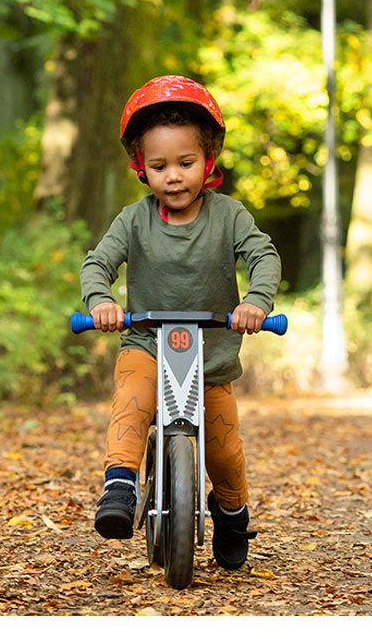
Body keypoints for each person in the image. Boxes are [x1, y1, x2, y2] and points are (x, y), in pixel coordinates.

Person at [80, 75, 281, 570]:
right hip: (146, 344)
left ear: (208, 161)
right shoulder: (133, 220)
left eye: (185, 163)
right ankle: (121, 487)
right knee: (131, 404)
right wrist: (101, 299)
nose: (173, 176)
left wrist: (255, 300)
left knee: (226, 453)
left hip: (210, 358)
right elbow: (97, 263)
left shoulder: (229, 215)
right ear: (140, 168)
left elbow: (263, 254)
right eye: (159, 166)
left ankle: (232, 514)